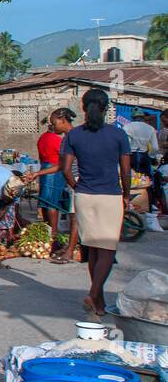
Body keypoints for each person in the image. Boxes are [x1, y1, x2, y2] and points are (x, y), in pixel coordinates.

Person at [61, 87, 131, 318]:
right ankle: (93, 293)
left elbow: (65, 169)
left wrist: (77, 187)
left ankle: (99, 303)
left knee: (92, 249)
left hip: (84, 196)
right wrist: (127, 194)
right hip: (110, 196)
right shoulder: (118, 135)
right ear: (105, 108)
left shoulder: (74, 135)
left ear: (83, 108)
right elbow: (125, 169)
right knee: (107, 250)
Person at [25, 108, 79, 261]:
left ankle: (69, 249)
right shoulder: (63, 140)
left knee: (73, 215)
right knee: (73, 215)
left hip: (80, 180)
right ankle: (70, 247)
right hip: (72, 181)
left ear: (62, 120)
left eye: (54, 123)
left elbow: (65, 167)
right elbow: (61, 166)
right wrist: (37, 174)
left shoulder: (74, 137)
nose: (53, 126)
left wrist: (75, 183)